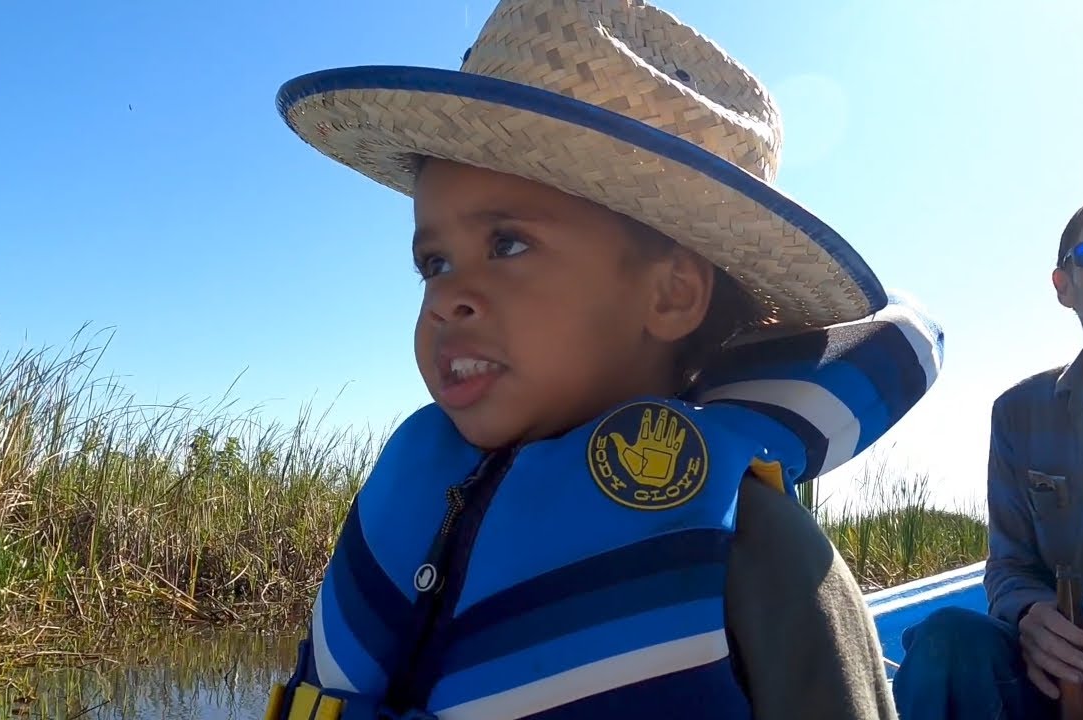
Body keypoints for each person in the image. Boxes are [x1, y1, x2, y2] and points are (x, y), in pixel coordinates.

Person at [263, 1, 945, 718]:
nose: (447, 299)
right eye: (434, 263)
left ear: (671, 294)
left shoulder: (758, 548)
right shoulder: (410, 501)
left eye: (507, 245)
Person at [891, 187, 1083, 720]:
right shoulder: (1022, 413)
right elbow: (1010, 565)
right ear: (1064, 287)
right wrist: (1031, 614)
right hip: (1066, 678)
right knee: (947, 639)